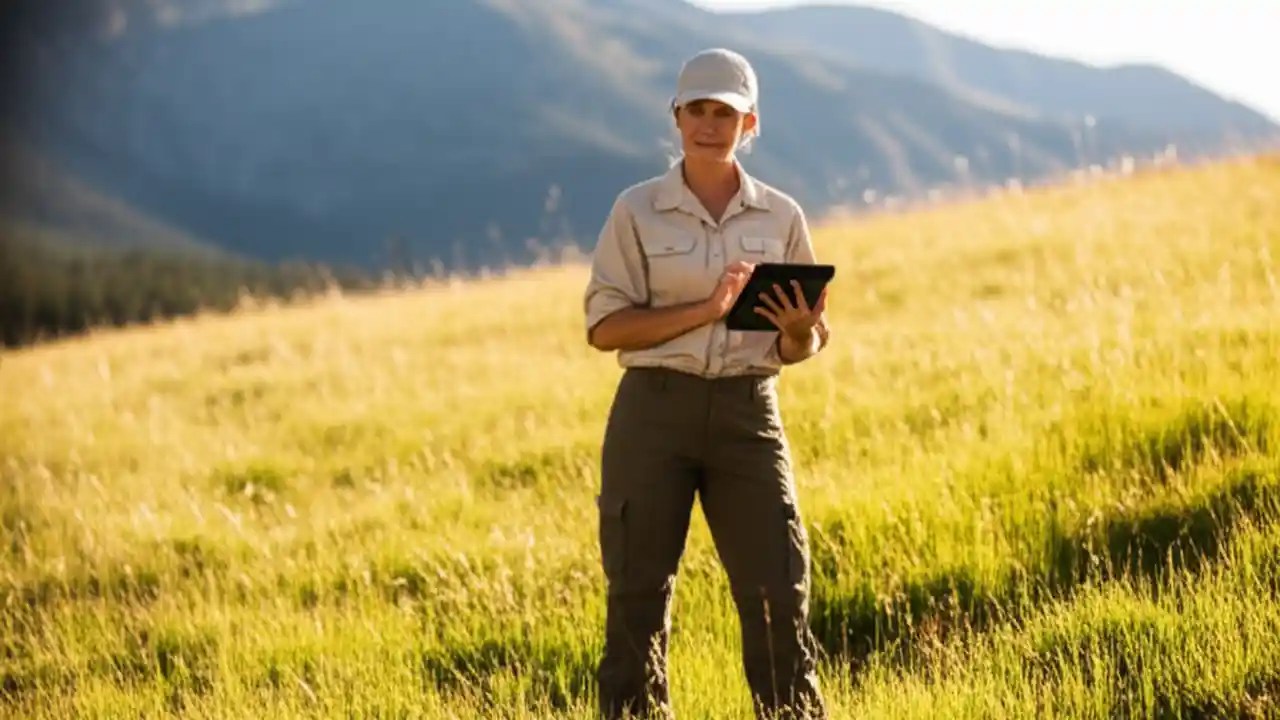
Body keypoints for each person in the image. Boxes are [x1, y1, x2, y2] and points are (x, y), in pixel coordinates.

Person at [582, 48, 831, 720]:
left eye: (726, 111)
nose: (710, 124)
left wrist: (800, 330)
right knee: (637, 600)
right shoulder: (636, 212)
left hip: (749, 418)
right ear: (676, 116)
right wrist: (706, 310)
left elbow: (801, 344)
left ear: (750, 123)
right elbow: (605, 329)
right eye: (698, 109)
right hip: (651, 415)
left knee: (779, 596)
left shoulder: (782, 217)